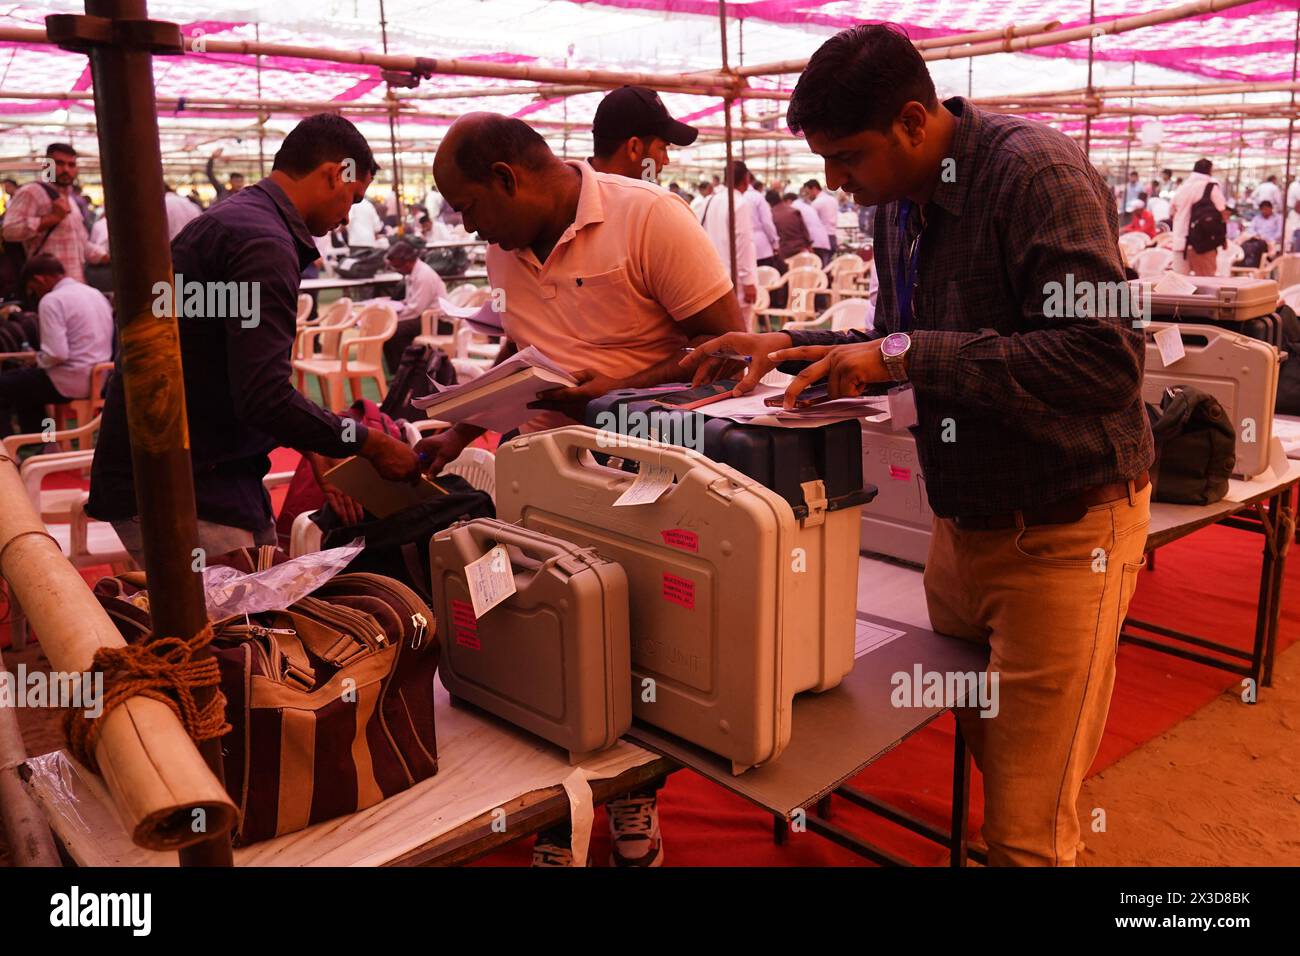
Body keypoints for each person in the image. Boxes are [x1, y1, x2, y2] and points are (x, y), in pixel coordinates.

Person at [683, 23, 1152, 867]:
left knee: (1026, 826)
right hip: (964, 524)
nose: (835, 182)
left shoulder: (1035, 174)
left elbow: (1105, 356)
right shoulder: (903, 206)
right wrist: (787, 342)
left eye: (849, 156)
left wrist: (901, 354)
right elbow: (895, 334)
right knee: (991, 747)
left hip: (1064, 529)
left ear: (910, 120)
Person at [416, 114, 745, 866]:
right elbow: (521, 344)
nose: (471, 229)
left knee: (635, 649)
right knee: (538, 629)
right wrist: (459, 430)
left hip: (644, 483)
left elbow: (727, 352)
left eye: (469, 208)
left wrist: (614, 390)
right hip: (533, 480)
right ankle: (560, 806)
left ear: (507, 178)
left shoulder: (648, 218)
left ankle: (631, 796)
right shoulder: (507, 246)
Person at [89, 113, 418, 564]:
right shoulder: (263, 242)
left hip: (179, 471)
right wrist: (372, 443)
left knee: (253, 604)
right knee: (238, 628)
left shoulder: (239, 222)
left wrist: (313, 441)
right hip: (189, 485)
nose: (346, 217)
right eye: (353, 199)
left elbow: (226, 366)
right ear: (332, 174)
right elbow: (262, 397)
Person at [0, 254, 113, 440]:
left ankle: (12, 450)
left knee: (11, 384)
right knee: (25, 385)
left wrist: (38, 359)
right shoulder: (94, 293)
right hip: (100, 378)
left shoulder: (52, 300)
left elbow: (57, 354)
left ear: (40, 279)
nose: (36, 295)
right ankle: (46, 442)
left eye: (33, 289)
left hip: (69, 381)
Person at [2, 143, 87, 282]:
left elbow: (82, 243)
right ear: (46, 165)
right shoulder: (31, 192)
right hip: (46, 284)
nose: (66, 169)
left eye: (71, 165)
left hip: (75, 282)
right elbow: (9, 231)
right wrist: (52, 218)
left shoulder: (70, 199)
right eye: (59, 163)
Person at [586, 85, 698, 189]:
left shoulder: (575, 194)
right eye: (662, 148)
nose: (666, 161)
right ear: (634, 148)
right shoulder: (654, 203)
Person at [697, 159, 758, 328]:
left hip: (711, 276)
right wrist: (748, 281)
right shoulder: (739, 203)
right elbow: (743, 243)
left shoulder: (708, 201)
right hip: (734, 279)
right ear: (746, 179)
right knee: (741, 330)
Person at [381, 239, 448, 370]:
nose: (396, 270)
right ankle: (400, 370)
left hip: (439, 322)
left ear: (408, 262)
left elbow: (415, 310)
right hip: (424, 317)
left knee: (393, 331)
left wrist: (393, 319)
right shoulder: (412, 273)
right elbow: (410, 302)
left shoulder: (424, 276)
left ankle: (405, 371)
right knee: (389, 328)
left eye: (397, 267)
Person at [1170, 158, 1226, 276]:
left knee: (1181, 285)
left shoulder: (1181, 188)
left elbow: (1171, 213)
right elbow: (1222, 211)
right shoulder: (1210, 187)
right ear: (1210, 171)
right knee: (1206, 284)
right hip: (1203, 244)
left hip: (1180, 243)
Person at [792, 188, 832, 263]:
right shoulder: (808, 207)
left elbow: (802, 228)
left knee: (816, 270)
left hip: (814, 243)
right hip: (822, 241)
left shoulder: (794, 206)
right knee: (822, 270)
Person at [804, 179, 840, 255]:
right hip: (833, 236)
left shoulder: (816, 203)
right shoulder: (833, 199)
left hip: (822, 239)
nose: (808, 195)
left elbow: (811, 222)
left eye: (808, 193)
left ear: (814, 189)